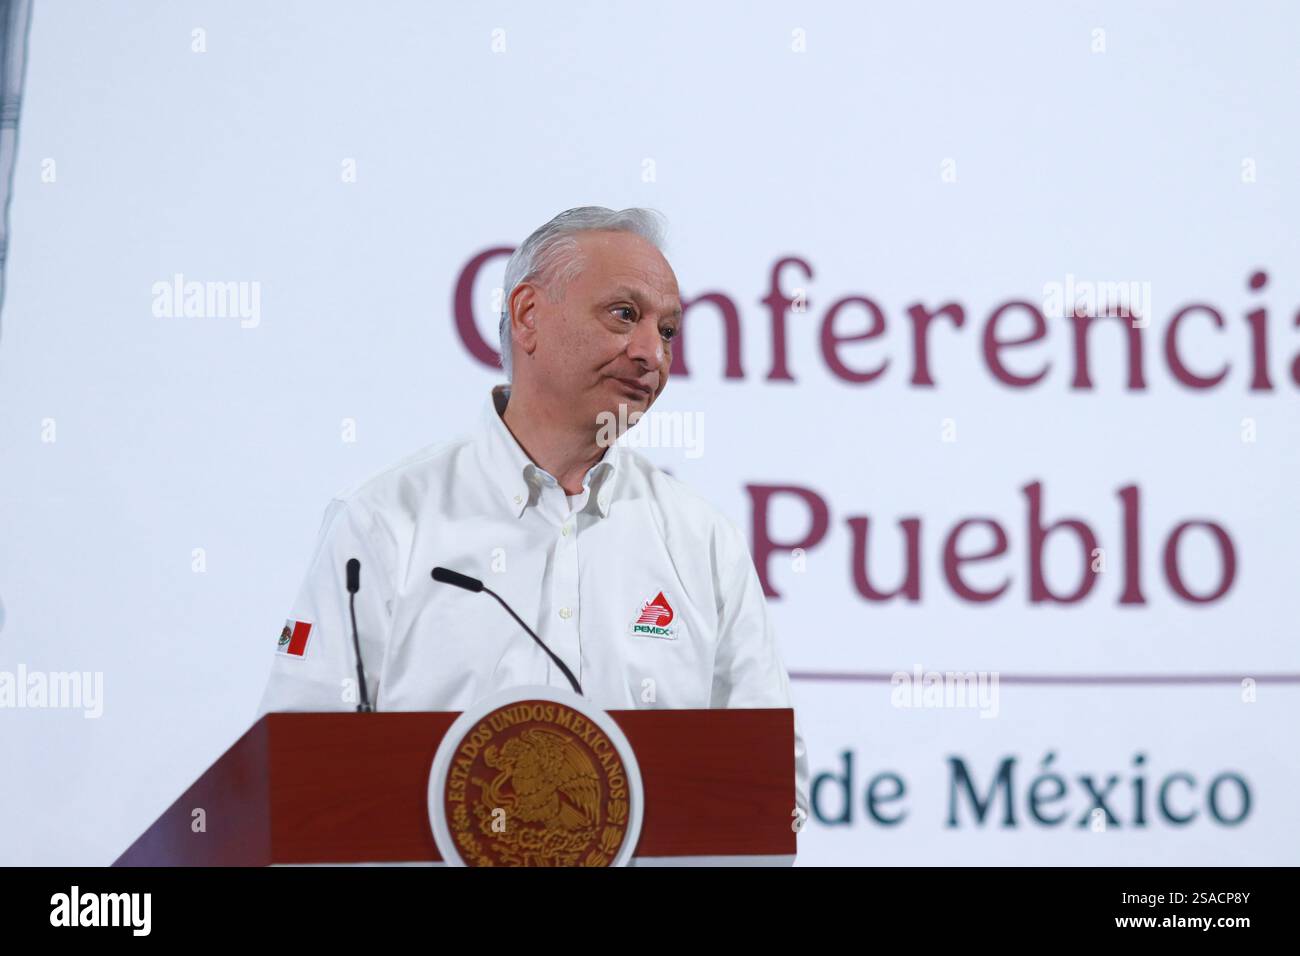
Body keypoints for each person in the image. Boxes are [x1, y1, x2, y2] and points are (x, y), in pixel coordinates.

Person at [256, 205, 810, 822]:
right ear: (527, 315)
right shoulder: (384, 522)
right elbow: (296, 771)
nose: (653, 353)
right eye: (625, 315)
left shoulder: (704, 542)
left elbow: (773, 786)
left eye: (671, 331)